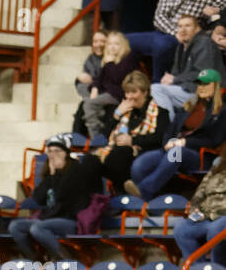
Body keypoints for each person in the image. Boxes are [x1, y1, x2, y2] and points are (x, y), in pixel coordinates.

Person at [128, 67, 226, 197]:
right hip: (173, 148)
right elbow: (171, 128)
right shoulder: (190, 105)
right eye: (199, 83)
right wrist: (168, 143)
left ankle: (143, 191)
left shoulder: (221, 111)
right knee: (140, 164)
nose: (201, 87)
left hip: (199, 155)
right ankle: (147, 201)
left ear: (216, 86)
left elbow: (214, 140)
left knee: (176, 153)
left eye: (206, 83)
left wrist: (184, 142)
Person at [9, 134, 102, 259]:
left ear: (66, 153)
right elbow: (38, 198)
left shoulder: (76, 170)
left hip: (70, 220)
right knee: (15, 226)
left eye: (57, 151)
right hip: (49, 218)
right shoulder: (51, 173)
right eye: (50, 151)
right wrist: (52, 175)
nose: (53, 155)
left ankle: (65, 260)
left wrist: (55, 176)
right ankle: (35, 260)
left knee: (37, 228)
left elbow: (62, 195)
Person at [84, 70, 168, 189]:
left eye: (134, 92)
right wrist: (117, 114)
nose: (129, 96)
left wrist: (132, 140)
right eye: (127, 92)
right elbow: (103, 136)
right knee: (89, 160)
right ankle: (96, 200)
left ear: (145, 92)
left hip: (140, 153)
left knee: (120, 153)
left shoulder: (161, 113)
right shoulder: (122, 110)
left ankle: (121, 194)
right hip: (113, 154)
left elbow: (159, 138)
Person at [127, 0, 226, 80]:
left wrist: (216, 13)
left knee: (162, 44)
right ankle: (134, 85)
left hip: (185, 36)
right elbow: (159, 17)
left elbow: (223, 15)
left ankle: (157, 86)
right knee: (124, 40)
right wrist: (176, 32)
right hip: (162, 31)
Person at [151, 13, 225, 111]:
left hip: (202, 91)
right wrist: (168, 80)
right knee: (155, 93)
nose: (183, 29)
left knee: (157, 89)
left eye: (188, 26)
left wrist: (175, 79)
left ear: (196, 29)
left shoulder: (204, 43)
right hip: (185, 88)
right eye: (180, 26)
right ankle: (170, 123)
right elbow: (175, 73)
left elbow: (202, 74)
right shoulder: (181, 47)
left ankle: (166, 124)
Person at [82, 31, 139, 141]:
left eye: (116, 44)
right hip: (107, 92)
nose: (112, 47)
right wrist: (95, 89)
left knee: (89, 104)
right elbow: (99, 78)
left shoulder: (128, 58)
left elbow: (117, 79)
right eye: (110, 44)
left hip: (119, 93)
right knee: (85, 103)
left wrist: (109, 63)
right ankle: (82, 136)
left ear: (122, 45)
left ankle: (96, 138)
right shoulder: (109, 58)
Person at [173, 157, 226, 261]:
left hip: (223, 215)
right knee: (181, 229)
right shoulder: (218, 165)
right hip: (207, 213)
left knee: (215, 230)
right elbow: (201, 189)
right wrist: (194, 207)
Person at [73, 28, 110, 132]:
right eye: (95, 41)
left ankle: (96, 137)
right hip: (92, 94)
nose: (98, 44)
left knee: (84, 107)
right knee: (80, 84)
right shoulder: (90, 59)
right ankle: (76, 139)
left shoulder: (113, 59)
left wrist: (93, 83)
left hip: (108, 94)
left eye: (102, 41)